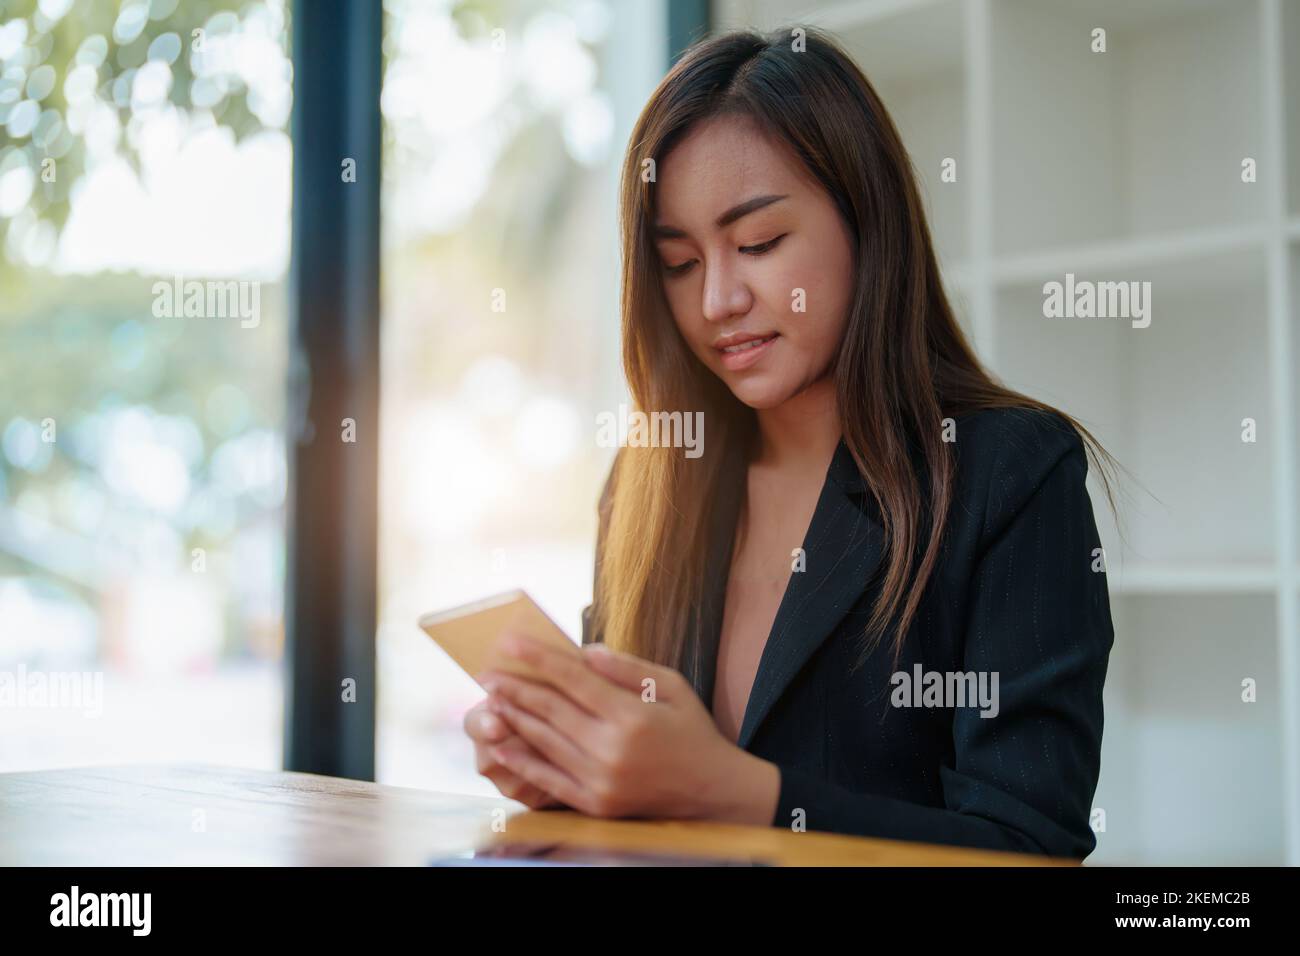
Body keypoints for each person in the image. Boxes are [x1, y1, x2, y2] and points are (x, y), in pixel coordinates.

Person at [464, 26, 1117, 859]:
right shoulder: (652, 479)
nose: (717, 301)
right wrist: (567, 769)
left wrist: (733, 793)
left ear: (865, 220)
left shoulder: (1009, 474)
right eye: (678, 262)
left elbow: (1027, 849)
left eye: (760, 244)